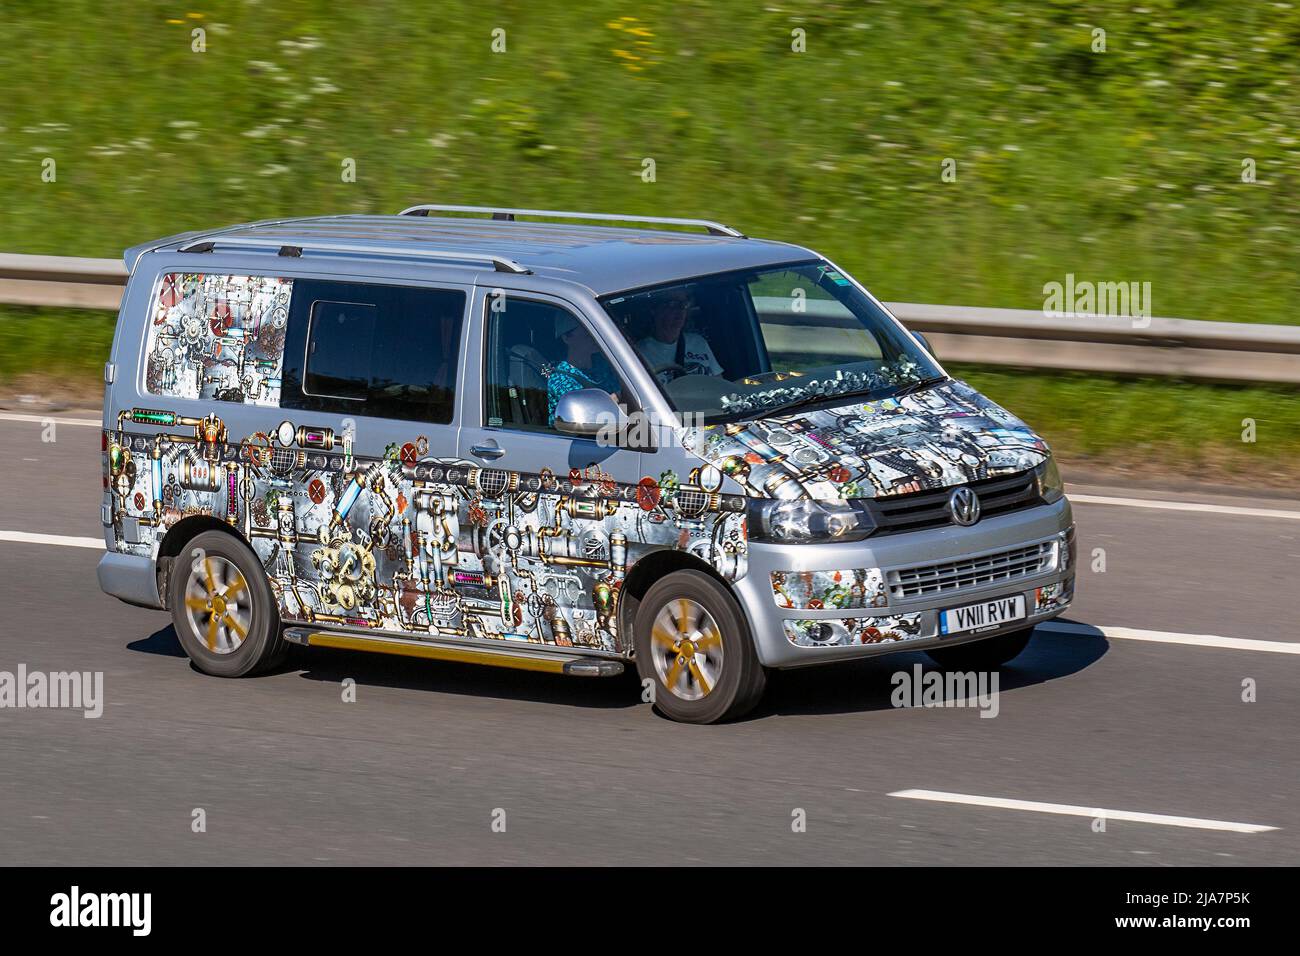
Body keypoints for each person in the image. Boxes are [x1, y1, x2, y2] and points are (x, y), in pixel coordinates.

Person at [547, 313, 620, 426]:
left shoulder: (602, 363)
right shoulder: (560, 379)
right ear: (566, 338)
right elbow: (592, 414)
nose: (595, 336)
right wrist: (618, 395)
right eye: (587, 332)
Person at [636, 289, 722, 385]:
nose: (680, 311)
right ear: (655, 309)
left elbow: (719, 383)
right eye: (672, 304)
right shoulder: (639, 353)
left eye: (684, 304)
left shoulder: (698, 342)